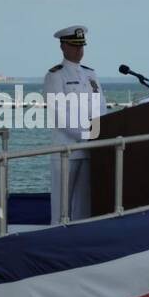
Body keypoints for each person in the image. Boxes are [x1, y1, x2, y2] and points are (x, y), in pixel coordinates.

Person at [43, 24, 105, 224]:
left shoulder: (91, 74)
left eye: (81, 46)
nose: (79, 50)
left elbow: (100, 106)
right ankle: (56, 242)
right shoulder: (55, 75)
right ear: (63, 47)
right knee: (62, 207)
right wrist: (87, 135)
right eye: (74, 46)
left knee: (84, 207)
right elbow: (60, 116)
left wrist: (100, 130)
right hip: (66, 149)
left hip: (89, 149)